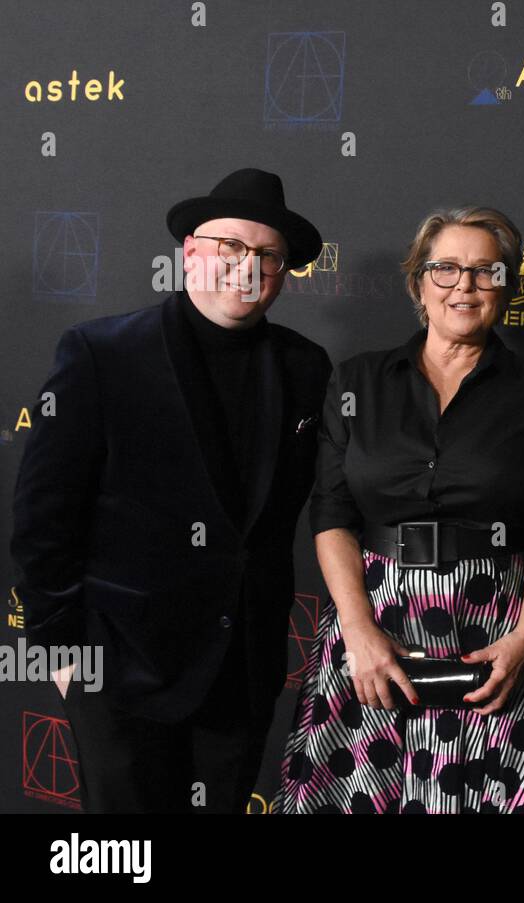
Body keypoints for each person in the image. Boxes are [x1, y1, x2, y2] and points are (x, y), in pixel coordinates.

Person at [10, 168, 331, 813]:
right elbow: (45, 515)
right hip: (120, 664)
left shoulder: (305, 367)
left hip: (240, 668)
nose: (247, 266)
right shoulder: (103, 353)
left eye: (267, 255)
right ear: (189, 251)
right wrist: (61, 650)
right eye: (230, 247)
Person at [275, 207, 524, 814]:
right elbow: (331, 511)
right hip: (371, 618)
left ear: (506, 286)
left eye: (486, 271)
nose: (465, 286)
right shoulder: (357, 381)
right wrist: (357, 631)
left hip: (490, 627)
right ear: (418, 284)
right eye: (447, 269)